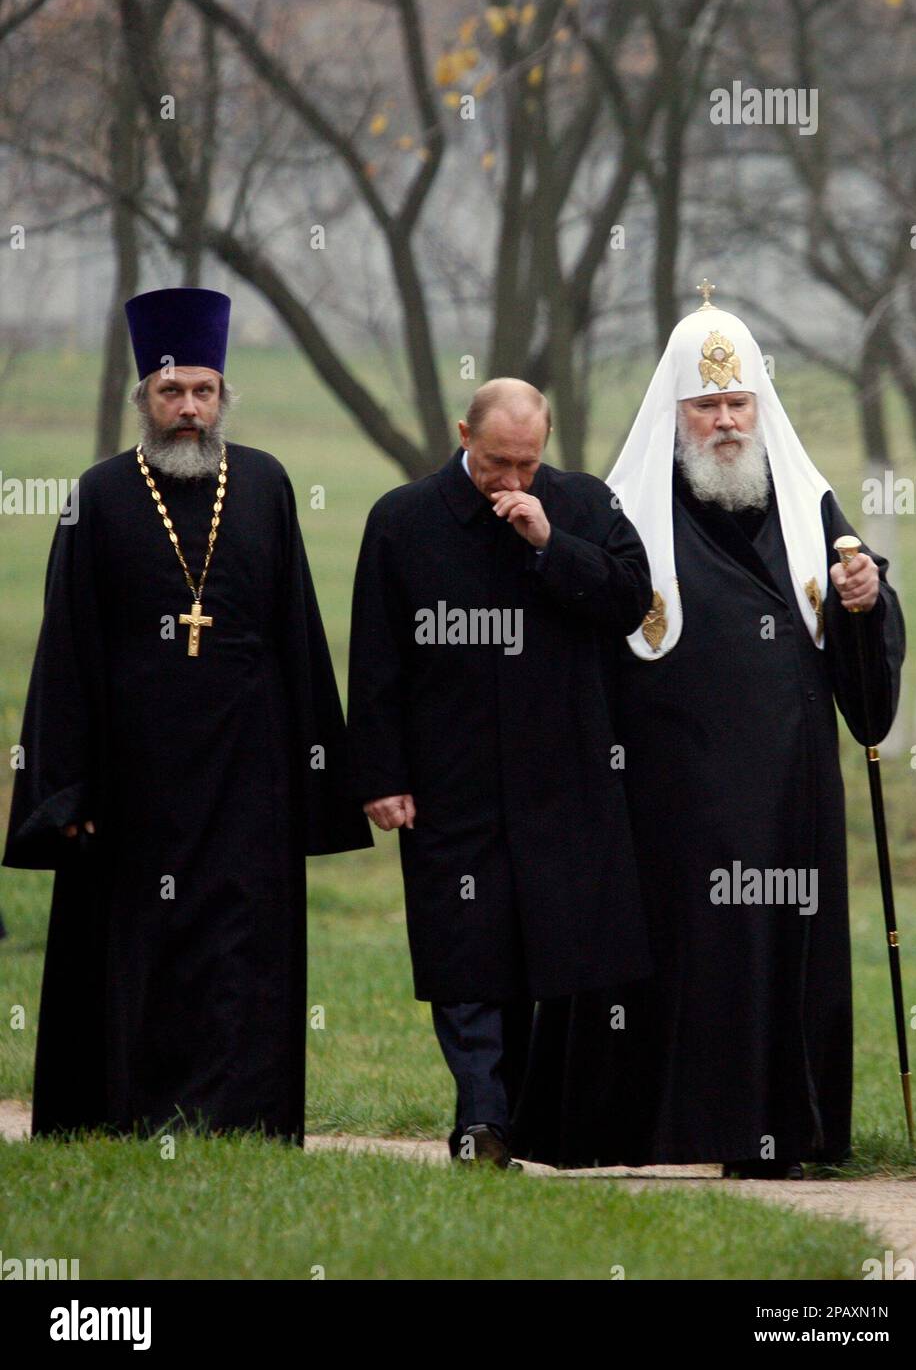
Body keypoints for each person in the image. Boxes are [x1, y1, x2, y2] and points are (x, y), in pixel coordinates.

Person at [513, 295, 905, 1178]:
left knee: (771, 959)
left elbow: (862, 658)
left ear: (759, 407)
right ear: (674, 414)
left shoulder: (812, 507)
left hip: (787, 797)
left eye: (737, 405)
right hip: (662, 798)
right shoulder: (623, 512)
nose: (724, 421)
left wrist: (865, 602)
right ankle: (646, 1133)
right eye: (705, 406)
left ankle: (777, 1138)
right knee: (674, 962)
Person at [3, 287, 371, 1142]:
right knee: (141, 943)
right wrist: (67, 787)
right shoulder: (97, 495)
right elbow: (66, 650)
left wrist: (317, 777)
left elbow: (299, 637)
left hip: (251, 770)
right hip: (134, 775)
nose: (188, 409)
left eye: (203, 391)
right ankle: (128, 1111)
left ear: (223, 395)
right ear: (145, 399)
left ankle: (240, 1120)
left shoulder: (267, 484)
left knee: (240, 949)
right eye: (172, 393)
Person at [347, 378, 653, 1169]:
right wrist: (381, 773)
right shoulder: (402, 519)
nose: (511, 481)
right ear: (461, 435)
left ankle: (534, 1119)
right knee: (466, 952)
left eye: (526, 462)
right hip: (452, 780)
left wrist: (551, 542)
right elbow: (376, 658)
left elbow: (629, 603)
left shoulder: (586, 504)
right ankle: (479, 1120)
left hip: (563, 777)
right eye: (494, 463)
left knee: (551, 952)